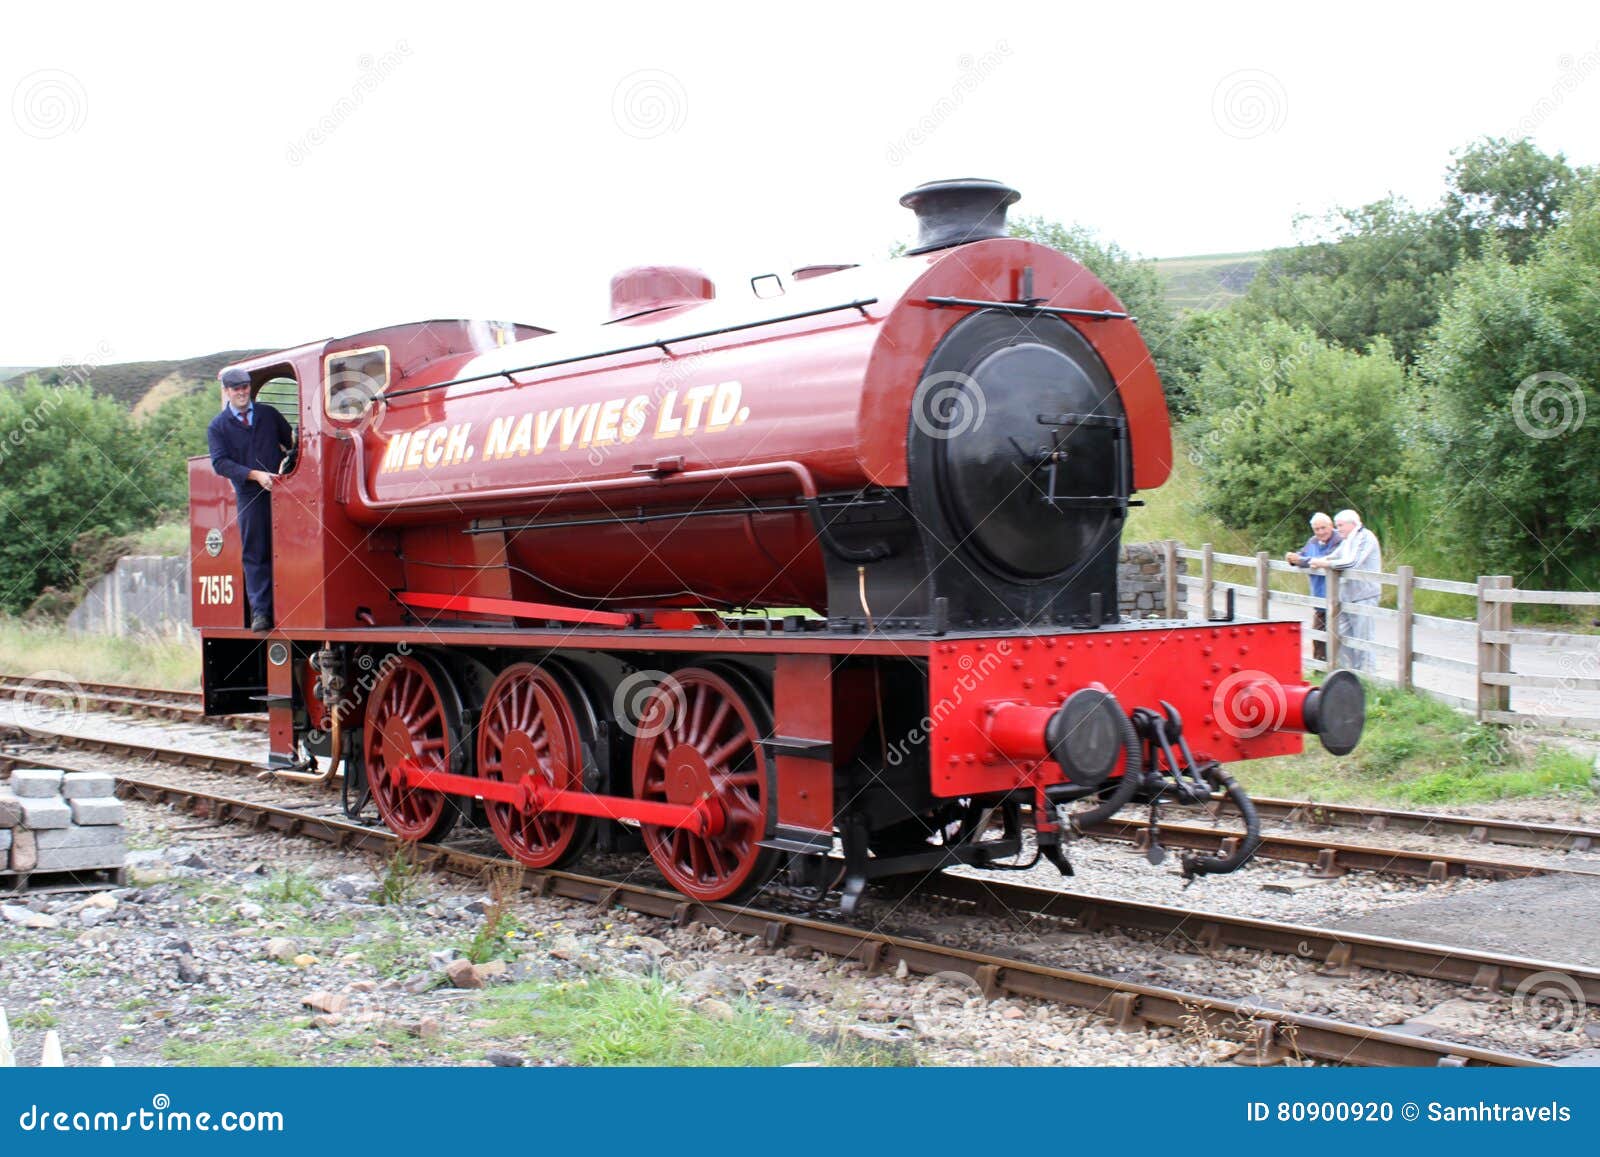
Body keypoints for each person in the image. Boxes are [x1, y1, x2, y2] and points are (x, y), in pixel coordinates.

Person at [207, 368, 294, 631]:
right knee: (256, 553)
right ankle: (261, 613)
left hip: (282, 491)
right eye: (236, 388)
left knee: (290, 548)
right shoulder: (218, 426)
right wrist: (255, 476)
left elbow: (291, 442)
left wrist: (286, 467)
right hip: (249, 494)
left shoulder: (268, 414)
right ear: (227, 392)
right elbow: (221, 464)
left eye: (245, 387)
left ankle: (291, 604)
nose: (242, 392)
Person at [1308, 509, 1382, 671]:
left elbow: (1351, 562)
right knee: (1343, 638)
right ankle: (1350, 676)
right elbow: (1335, 556)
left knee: (1363, 640)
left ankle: (1368, 677)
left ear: (1352, 524)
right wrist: (1316, 561)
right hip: (1347, 597)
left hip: (1364, 595)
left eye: (1340, 525)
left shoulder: (1364, 537)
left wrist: (1325, 564)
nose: (1338, 529)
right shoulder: (1348, 540)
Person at [1286, 512, 1341, 663]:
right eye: (1317, 529)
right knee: (1318, 635)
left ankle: (1337, 669)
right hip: (1319, 598)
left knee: (1338, 636)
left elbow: (1325, 560)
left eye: (1323, 528)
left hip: (1337, 598)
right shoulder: (1313, 541)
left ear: (1331, 526)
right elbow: (1302, 556)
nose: (1320, 532)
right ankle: (1320, 668)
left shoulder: (1339, 541)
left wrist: (1300, 560)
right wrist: (1292, 558)